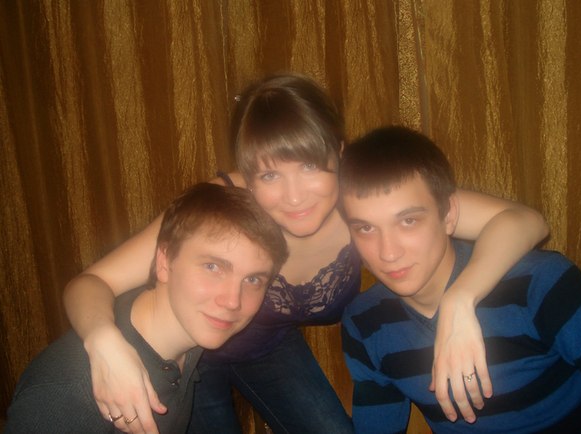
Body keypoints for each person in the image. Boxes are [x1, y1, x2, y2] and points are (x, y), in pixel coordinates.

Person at [62, 73, 549, 434]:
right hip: (187, 355)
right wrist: (104, 342)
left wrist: (461, 301)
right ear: (246, 172)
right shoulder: (223, 206)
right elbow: (91, 283)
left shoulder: (364, 199)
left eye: (311, 166)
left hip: (266, 349)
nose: (293, 197)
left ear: (339, 152)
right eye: (270, 174)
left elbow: (524, 221)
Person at [340, 125, 581, 433]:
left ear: (449, 214)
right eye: (366, 228)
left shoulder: (540, 283)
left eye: (409, 221)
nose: (388, 253)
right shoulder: (364, 322)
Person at [6, 183, 287, 434]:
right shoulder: (65, 397)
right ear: (163, 262)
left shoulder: (187, 335)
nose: (233, 301)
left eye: (253, 280)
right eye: (212, 266)